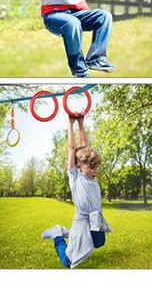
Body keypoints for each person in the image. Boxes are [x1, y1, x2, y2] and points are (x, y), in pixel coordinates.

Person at [42, 112, 111, 268]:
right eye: (91, 166)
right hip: (82, 219)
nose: (95, 170)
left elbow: (85, 147)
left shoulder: (91, 175)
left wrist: (81, 123)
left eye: (96, 166)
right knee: (69, 261)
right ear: (78, 166)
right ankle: (57, 235)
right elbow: (72, 148)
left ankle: (68, 233)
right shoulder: (75, 176)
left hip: (95, 216)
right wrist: (70, 123)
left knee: (99, 243)